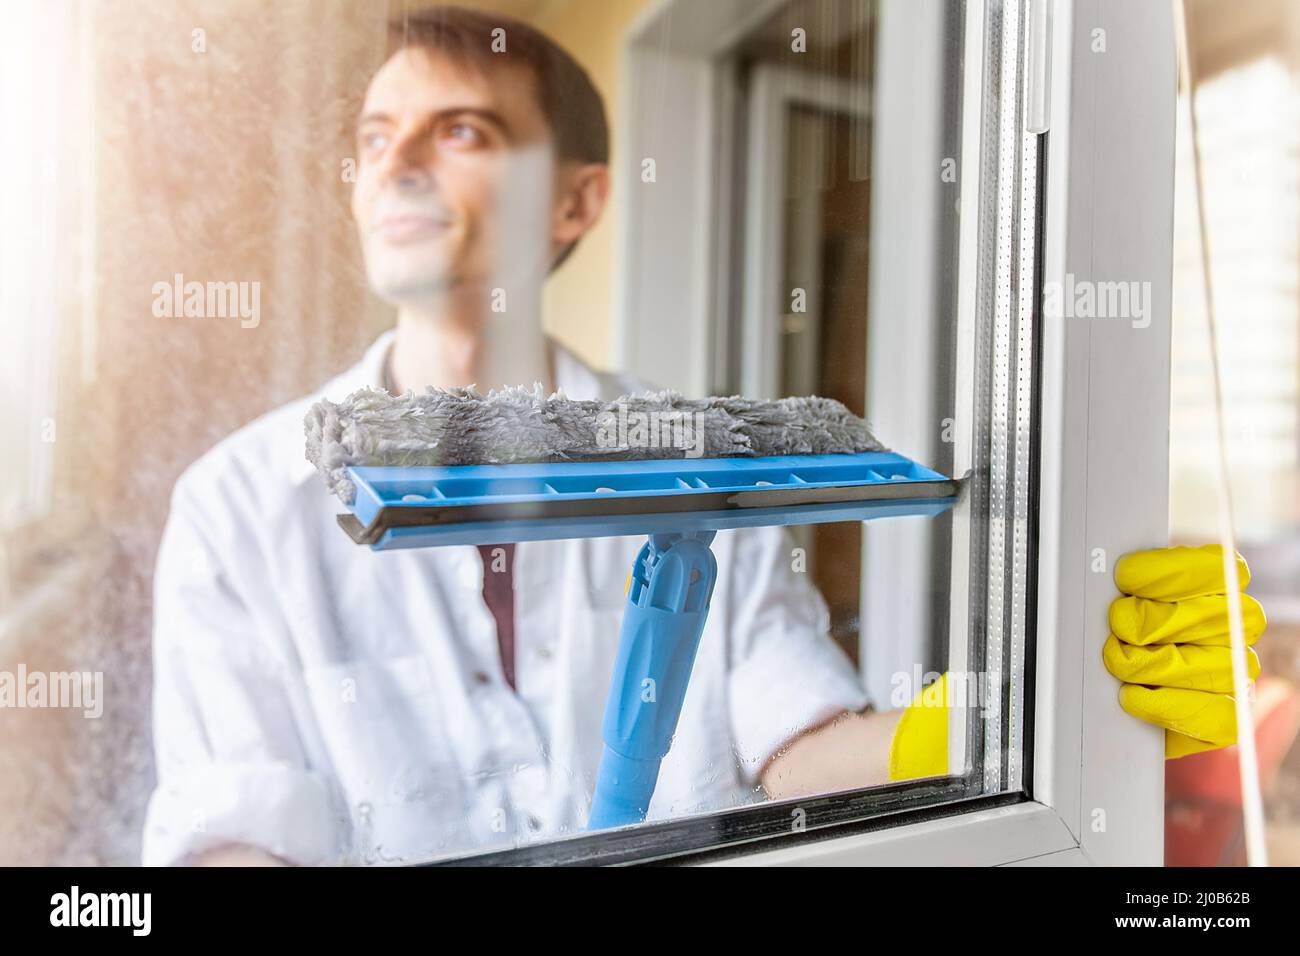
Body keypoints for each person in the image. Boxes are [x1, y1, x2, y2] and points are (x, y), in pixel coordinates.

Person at [143, 6, 1264, 866]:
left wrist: (1027, 704)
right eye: (378, 136)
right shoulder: (240, 505)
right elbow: (239, 830)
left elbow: (795, 745)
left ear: (578, 202)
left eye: (462, 129)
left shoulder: (698, 467)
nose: (396, 162)